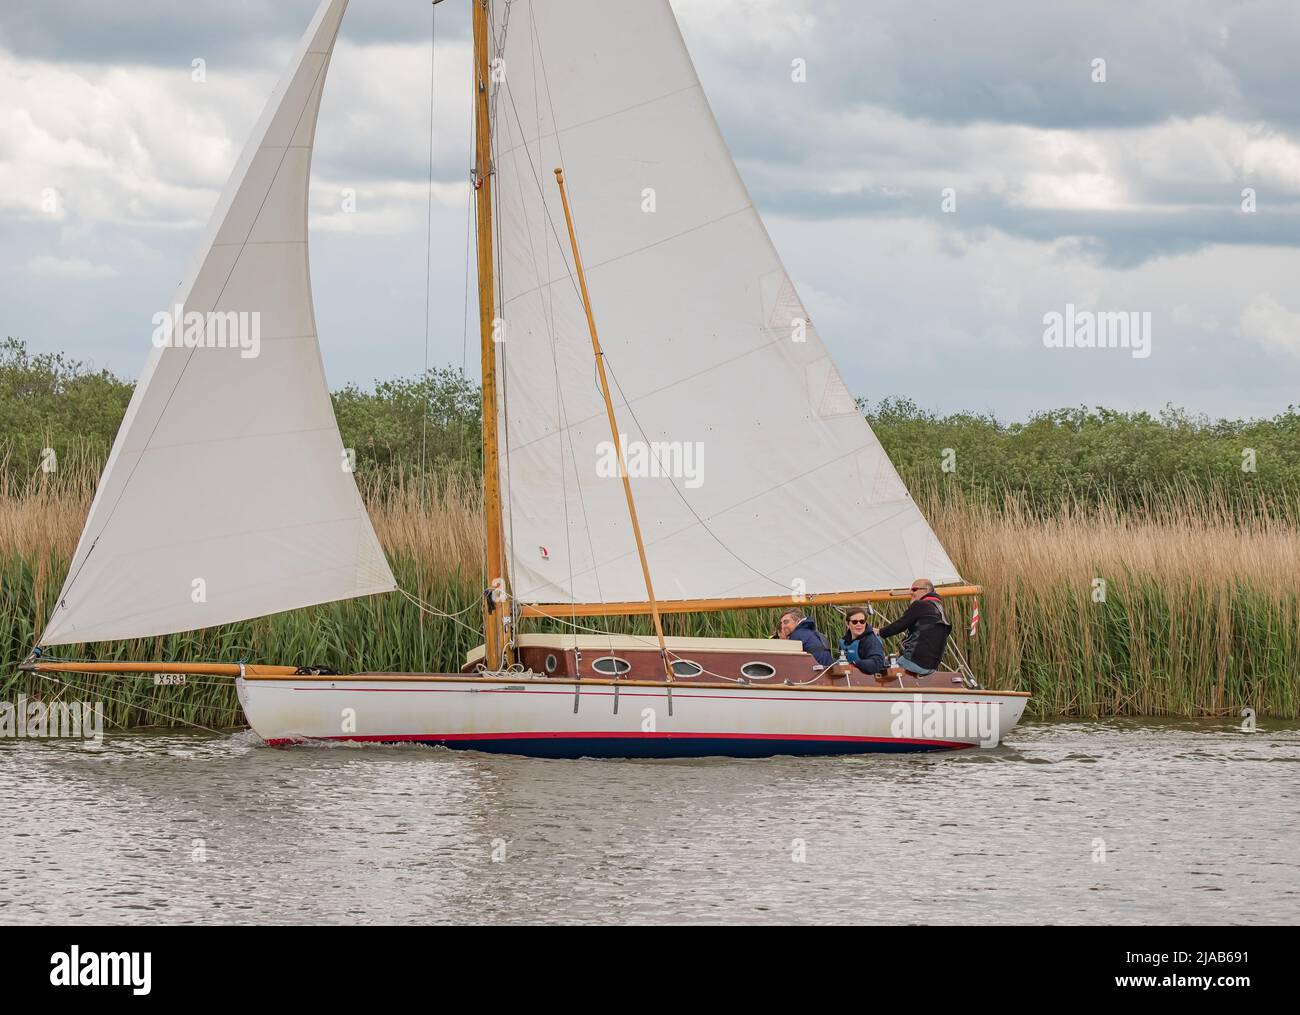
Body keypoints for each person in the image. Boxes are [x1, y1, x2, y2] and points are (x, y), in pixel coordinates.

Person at [877, 579, 952, 676]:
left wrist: (880, 632)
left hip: (913, 663)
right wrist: (899, 654)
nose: (910, 592)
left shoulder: (920, 605)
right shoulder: (940, 609)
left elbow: (900, 625)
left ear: (926, 590)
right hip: (930, 668)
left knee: (875, 667)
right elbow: (923, 637)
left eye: (914, 589)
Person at [839, 607, 887, 675]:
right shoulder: (844, 641)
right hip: (848, 679)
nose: (859, 624)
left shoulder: (871, 641)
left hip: (868, 680)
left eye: (862, 622)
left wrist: (855, 663)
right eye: (854, 622)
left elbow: (877, 663)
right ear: (847, 624)